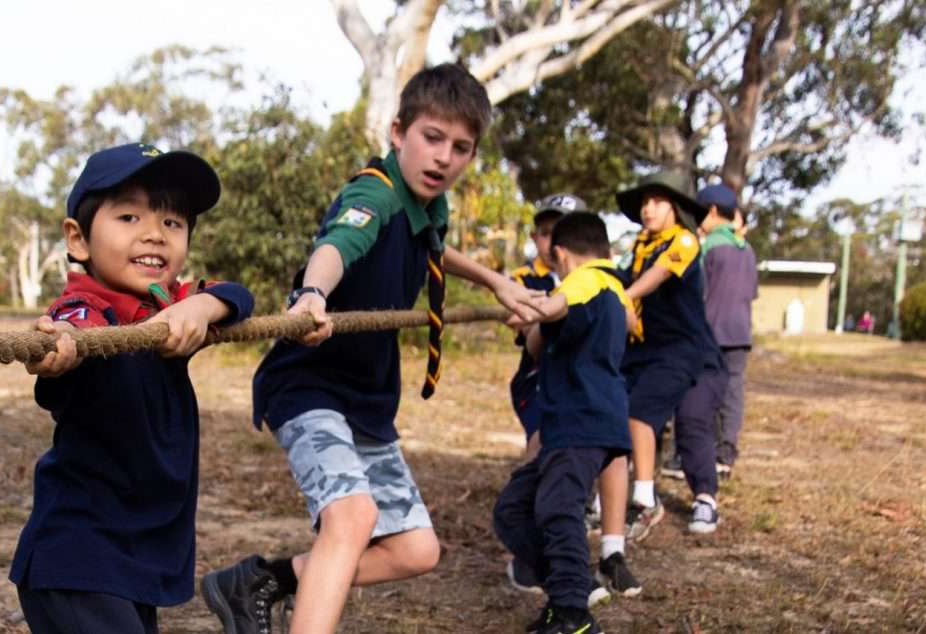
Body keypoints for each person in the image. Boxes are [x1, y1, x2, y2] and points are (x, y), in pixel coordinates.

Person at [200, 63, 546, 634]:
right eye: (432, 138)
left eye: (461, 148)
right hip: (309, 384)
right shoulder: (375, 191)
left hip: (366, 398)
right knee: (352, 518)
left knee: (415, 549)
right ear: (397, 133)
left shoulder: (429, 205)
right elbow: (340, 241)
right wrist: (313, 294)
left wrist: (497, 281)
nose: (443, 158)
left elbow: (433, 244)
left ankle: (265, 580)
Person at [10, 143, 256, 634]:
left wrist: (200, 309)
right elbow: (68, 334)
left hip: (136, 553)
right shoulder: (85, 308)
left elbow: (236, 295)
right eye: (128, 217)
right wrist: (61, 350)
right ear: (78, 239)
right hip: (78, 555)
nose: (154, 234)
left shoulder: (170, 306)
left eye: (172, 223)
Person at [492, 212, 637, 634]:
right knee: (513, 510)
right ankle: (568, 589)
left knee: (558, 510)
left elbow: (557, 303)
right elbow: (541, 343)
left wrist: (531, 304)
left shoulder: (586, 279)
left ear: (560, 254)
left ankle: (572, 613)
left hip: (581, 423)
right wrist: (532, 321)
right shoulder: (614, 287)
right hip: (573, 426)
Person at [613, 171, 721, 552]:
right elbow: (620, 275)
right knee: (616, 416)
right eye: (644, 203)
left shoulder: (684, 241)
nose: (647, 209)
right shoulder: (640, 245)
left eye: (656, 201)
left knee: (649, 417)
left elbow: (655, 278)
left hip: (682, 350)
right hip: (642, 351)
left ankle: (649, 499)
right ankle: (606, 501)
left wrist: (621, 296)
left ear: (674, 208)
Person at [670, 184, 757, 534]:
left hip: (709, 335)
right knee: (732, 395)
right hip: (741, 333)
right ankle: (725, 454)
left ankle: (684, 456)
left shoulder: (707, 248)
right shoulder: (746, 249)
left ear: (709, 212)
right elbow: (752, 292)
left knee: (696, 400)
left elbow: (694, 293)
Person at [509, 196, 578, 459]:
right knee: (541, 440)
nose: (554, 242)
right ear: (534, 237)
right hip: (538, 377)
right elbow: (521, 324)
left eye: (564, 231)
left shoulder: (598, 278)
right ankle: (527, 496)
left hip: (586, 375)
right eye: (547, 233)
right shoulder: (521, 279)